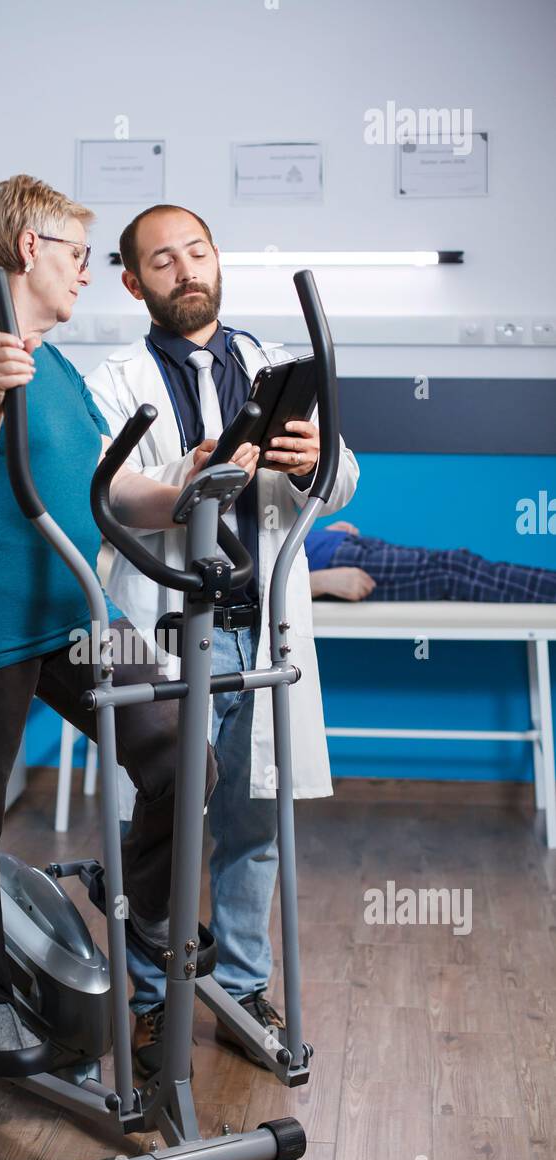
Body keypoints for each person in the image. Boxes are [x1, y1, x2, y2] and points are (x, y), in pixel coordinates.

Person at [0, 175, 218, 1055]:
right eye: (79, 254)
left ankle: (147, 918)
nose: (89, 271)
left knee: (184, 753)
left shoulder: (61, 365)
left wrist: (184, 486)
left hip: (76, 609)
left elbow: (111, 493)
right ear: (28, 249)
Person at [87, 203, 360, 1079]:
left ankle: (241, 989)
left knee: (253, 824)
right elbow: (112, 492)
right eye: (161, 260)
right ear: (134, 283)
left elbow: (345, 481)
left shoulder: (278, 364)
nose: (185, 268)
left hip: (262, 629)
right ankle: (152, 997)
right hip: (165, 632)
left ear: (218, 261)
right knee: (161, 821)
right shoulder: (111, 380)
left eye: (197, 251)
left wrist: (315, 457)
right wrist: (199, 466)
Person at [307, 521, 556, 602]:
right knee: (451, 576)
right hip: (333, 564)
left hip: (335, 544)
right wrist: (317, 582)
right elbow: (265, 594)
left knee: (461, 564)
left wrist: (322, 532)